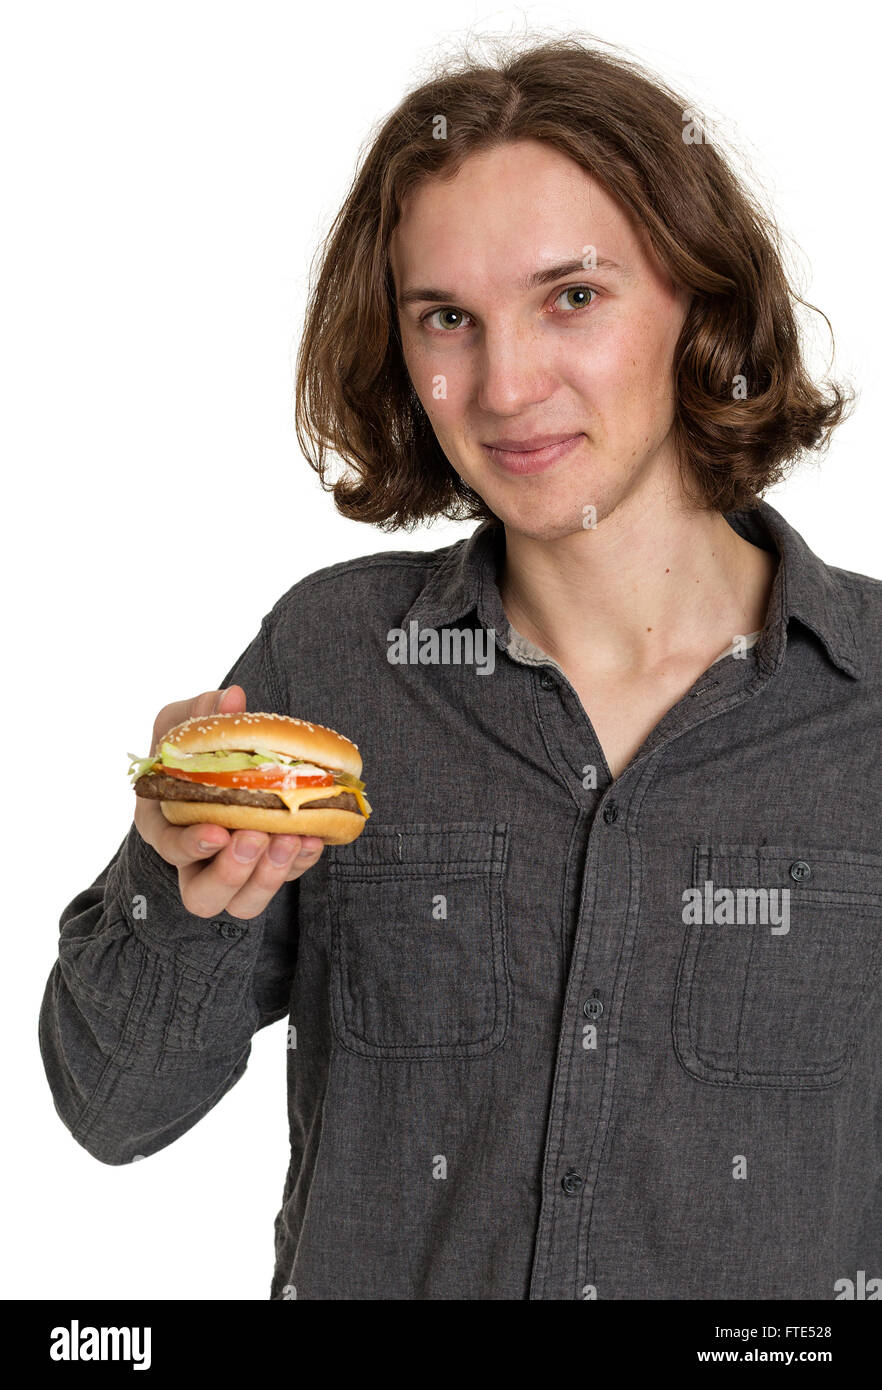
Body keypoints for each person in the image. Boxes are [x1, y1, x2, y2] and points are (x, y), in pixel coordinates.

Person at [40, 35, 881, 1301]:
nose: (506, 384)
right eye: (448, 317)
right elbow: (110, 1108)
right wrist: (176, 881)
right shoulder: (331, 660)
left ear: (700, 302)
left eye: (573, 298)